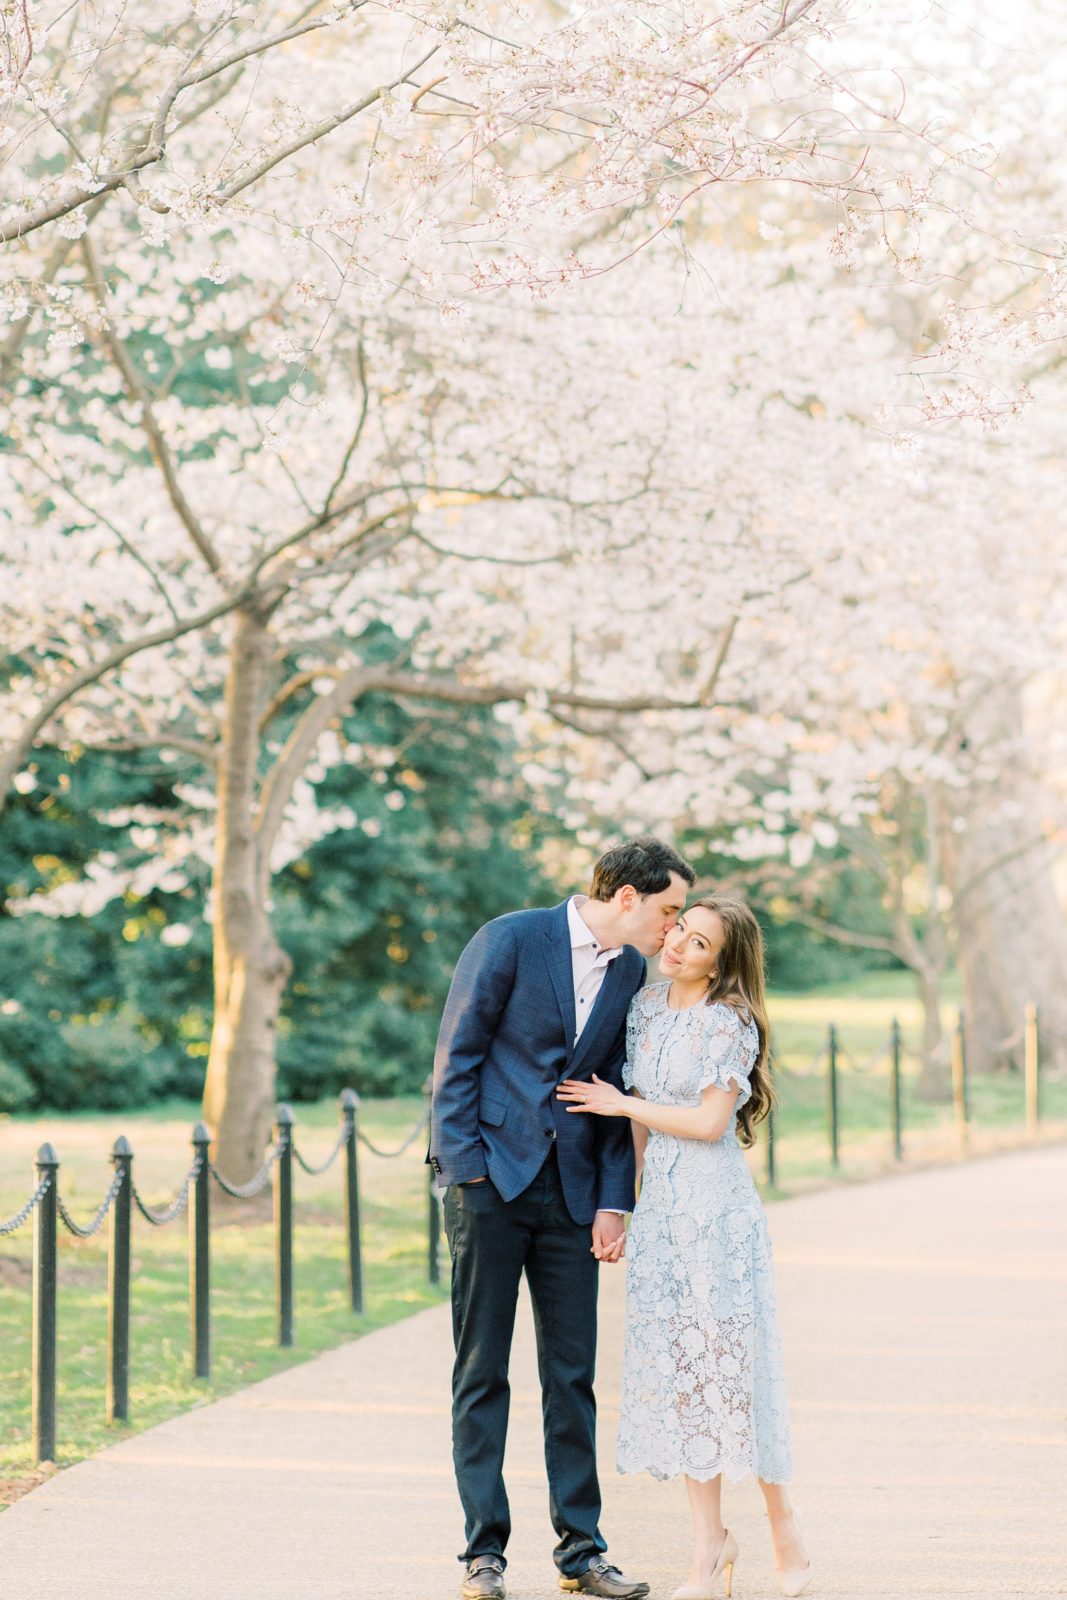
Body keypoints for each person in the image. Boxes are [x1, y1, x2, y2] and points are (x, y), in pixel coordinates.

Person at [429, 838, 696, 1600]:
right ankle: (483, 1554)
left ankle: (581, 1553)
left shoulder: (631, 971)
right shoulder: (511, 939)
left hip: (575, 1201)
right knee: (481, 1370)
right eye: (666, 909)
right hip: (491, 1186)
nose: (670, 928)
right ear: (624, 898)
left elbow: (612, 1091)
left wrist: (615, 1202)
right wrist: (467, 1171)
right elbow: (457, 1058)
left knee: (570, 1377)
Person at [558, 896, 812, 1600]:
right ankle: (708, 1547)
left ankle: (781, 1524)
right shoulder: (642, 1007)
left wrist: (620, 1103)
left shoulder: (730, 1024)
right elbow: (638, 1134)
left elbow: (705, 1122)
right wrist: (622, 1209)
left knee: (733, 1373)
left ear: (721, 962)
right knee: (686, 1381)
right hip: (666, 1219)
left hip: (718, 1216)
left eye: (698, 944)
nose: (677, 946)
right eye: (679, 931)